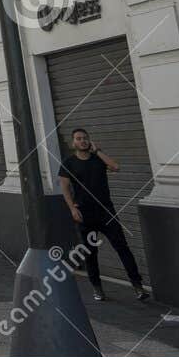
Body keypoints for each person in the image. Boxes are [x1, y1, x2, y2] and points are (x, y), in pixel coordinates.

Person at [59, 128, 149, 303]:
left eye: (85, 138)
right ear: (73, 143)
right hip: (85, 214)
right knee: (91, 253)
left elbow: (116, 167)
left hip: (106, 212)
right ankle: (97, 289)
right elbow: (64, 188)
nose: (83, 141)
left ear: (90, 141)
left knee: (122, 248)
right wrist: (72, 209)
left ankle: (138, 286)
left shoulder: (97, 159)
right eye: (78, 138)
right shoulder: (68, 163)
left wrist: (98, 151)